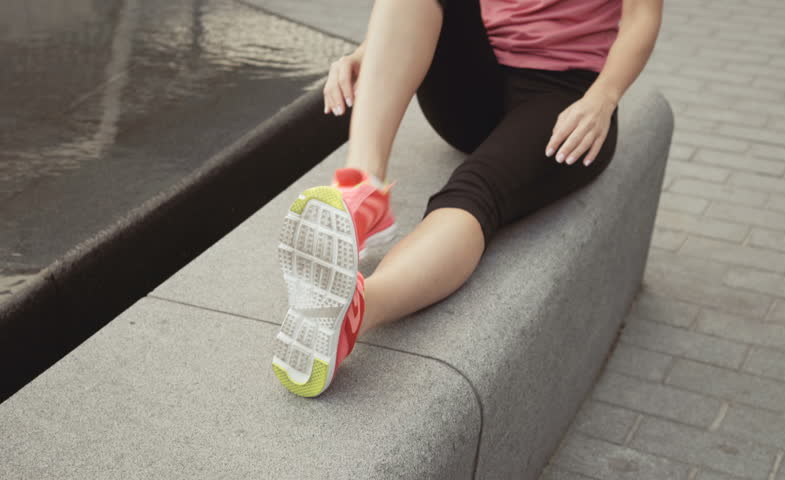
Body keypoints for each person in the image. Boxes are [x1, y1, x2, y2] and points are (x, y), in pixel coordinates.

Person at [272, 0, 663, 397]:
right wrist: (369, 54)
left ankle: (354, 310)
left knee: (475, 191)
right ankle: (362, 192)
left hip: (565, 98)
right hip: (476, 83)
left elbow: (642, 17)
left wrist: (604, 97)